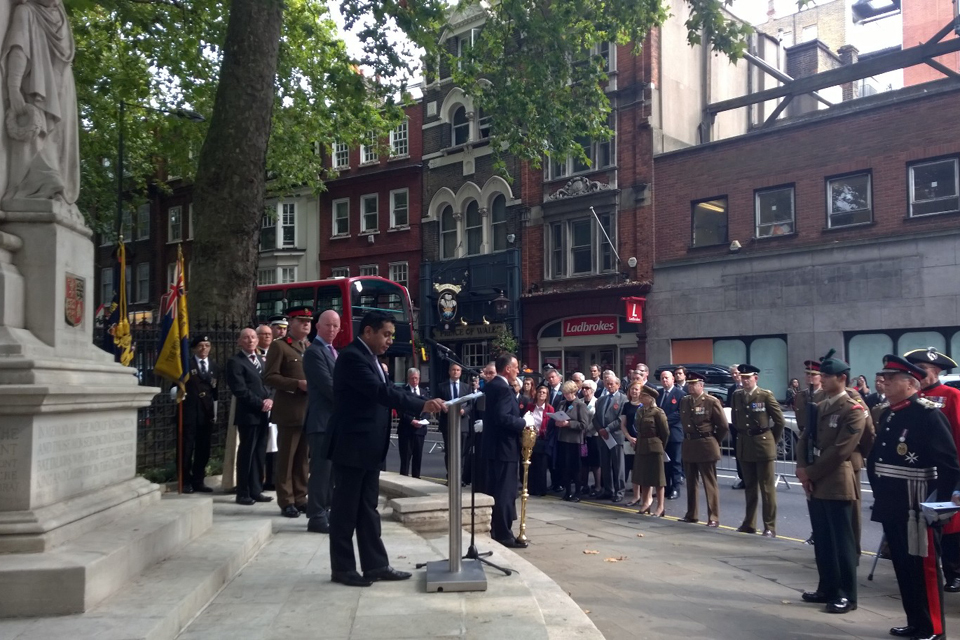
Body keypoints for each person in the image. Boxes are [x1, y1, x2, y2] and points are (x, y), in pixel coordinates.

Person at [327, 311, 443, 587]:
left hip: (368, 447)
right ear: (368, 331)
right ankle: (342, 569)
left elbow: (390, 389)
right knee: (345, 510)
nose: (390, 340)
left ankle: (375, 565)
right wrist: (420, 405)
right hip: (352, 445)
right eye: (386, 334)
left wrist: (422, 401)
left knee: (368, 508)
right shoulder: (353, 357)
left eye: (392, 335)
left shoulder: (372, 359)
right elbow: (380, 393)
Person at [868, 355, 960, 640]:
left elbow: (949, 465)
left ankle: (933, 628)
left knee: (925, 569)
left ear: (910, 383)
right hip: (893, 505)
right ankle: (915, 621)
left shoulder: (928, 414)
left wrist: (938, 507)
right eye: (885, 377)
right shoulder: (891, 412)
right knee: (904, 568)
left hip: (917, 506)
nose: (884, 382)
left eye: (891, 378)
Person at [796, 352, 866, 615]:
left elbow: (840, 451)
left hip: (836, 481)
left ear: (842, 378)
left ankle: (847, 594)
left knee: (842, 542)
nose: (820, 380)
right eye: (820, 375)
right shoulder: (819, 404)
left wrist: (810, 473)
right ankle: (827, 586)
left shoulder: (853, 409)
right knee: (823, 540)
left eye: (826, 376)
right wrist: (801, 468)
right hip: (815, 479)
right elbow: (804, 438)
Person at [3, 0, 79, 206]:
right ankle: (42, 184)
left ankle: (50, 185)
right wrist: (13, 88)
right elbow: (18, 49)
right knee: (41, 141)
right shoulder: (26, 12)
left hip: (58, 89)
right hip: (41, 90)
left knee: (53, 139)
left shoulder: (58, 16)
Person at [904, 347, 960, 594]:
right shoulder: (912, 398)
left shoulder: (951, 395)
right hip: (920, 471)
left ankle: (954, 572)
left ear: (936, 371)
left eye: (923, 370)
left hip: (947, 468)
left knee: (949, 525)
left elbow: (957, 432)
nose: (919, 374)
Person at [264, 306, 312, 518]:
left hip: (308, 411)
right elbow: (270, 376)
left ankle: (301, 497)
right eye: (301, 320)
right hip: (289, 411)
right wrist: (296, 384)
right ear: (290, 323)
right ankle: (286, 501)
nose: (306, 324)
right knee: (286, 459)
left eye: (308, 321)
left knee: (303, 459)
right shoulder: (280, 347)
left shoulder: (309, 347)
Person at [481, 353, 529, 549]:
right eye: (516, 367)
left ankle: (497, 530)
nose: (518, 370)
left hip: (494, 448)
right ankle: (504, 534)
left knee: (496, 490)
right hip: (504, 448)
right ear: (507, 368)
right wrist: (524, 422)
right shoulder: (502, 388)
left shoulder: (492, 385)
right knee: (505, 493)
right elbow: (503, 417)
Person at [732, 363, 785, 537]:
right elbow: (735, 420)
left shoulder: (765, 396)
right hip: (745, 444)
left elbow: (779, 421)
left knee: (767, 489)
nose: (745, 381)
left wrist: (771, 441)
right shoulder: (737, 396)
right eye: (743, 377)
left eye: (748, 378)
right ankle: (749, 523)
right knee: (750, 487)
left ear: (756, 378)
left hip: (763, 444)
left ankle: (770, 526)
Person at [225, 328, 273, 506]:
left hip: (264, 414)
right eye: (246, 338)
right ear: (239, 341)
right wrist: (260, 403)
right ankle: (243, 492)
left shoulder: (262, 360)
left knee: (260, 453)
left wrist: (270, 399)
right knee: (247, 452)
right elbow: (240, 390)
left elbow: (270, 382)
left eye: (253, 337)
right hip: (248, 415)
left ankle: (256, 489)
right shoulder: (235, 362)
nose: (250, 340)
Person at [302, 309, 340, 534]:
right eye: (328, 325)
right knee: (320, 472)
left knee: (331, 473)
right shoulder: (314, 352)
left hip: (333, 422)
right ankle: (316, 515)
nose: (333, 330)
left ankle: (326, 510)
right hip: (320, 423)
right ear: (318, 326)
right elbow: (329, 387)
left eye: (336, 326)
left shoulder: (333, 351)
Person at [679, 371, 728, 527]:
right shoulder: (685, 401)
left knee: (709, 482)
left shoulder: (711, 401)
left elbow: (723, 426)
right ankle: (691, 514)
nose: (690, 387)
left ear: (701, 385)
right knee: (691, 482)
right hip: (689, 444)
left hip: (706, 444)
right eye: (689, 384)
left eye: (693, 384)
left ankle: (713, 516)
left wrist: (713, 440)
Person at [181, 335, 218, 493]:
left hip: (206, 412)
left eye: (207, 345)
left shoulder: (214, 366)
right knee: (186, 449)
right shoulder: (186, 364)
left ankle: (199, 480)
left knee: (204, 449)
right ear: (194, 348)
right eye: (201, 346)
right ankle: (185, 480)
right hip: (189, 412)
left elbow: (215, 392)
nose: (204, 349)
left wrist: (214, 413)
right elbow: (175, 386)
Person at [631, 385, 670, 517]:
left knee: (658, 478)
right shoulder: (640, 411)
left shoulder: (658, 412)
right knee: (644, 477)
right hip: (642, 446)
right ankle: (645, 503)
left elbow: (665, 432)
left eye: (643, 396)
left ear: (650, 398)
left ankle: (660, 506)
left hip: (654, 446)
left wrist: (660, 446)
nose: (640, 397)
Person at [436, 363, 473, 485]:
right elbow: (437, 402)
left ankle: (460, 478)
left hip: (462, 423)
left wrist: (464, 411)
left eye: (458, 370)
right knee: (449, 451)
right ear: (449, 371)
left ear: (461, 372)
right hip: (447, 423)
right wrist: (443, 408)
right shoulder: (442, 387)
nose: (455, 372)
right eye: (453, 370)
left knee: (462, 452)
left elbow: (470, 404)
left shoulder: (466, 387)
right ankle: (450, 477)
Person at [594, 371, 626, 502]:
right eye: (607, 384)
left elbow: (621, 419)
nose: (609, 386)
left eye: (612, 384)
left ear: (618, 385)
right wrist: (600, 430)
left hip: (616, 436)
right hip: (603, 437)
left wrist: (607, 429)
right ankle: (608, 489)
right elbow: (595, 418)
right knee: (605, 465)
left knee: (618, 466)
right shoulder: (601, 400)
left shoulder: (623, 399)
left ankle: (619, 491)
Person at [554, 381, 588, 501]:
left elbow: (584, 424)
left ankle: (577, 492)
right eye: (564, 393)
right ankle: (567, 491)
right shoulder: (562, 403)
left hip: (575, 440)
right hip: (563, 438)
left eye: (568, 393)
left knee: (575, 467)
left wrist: (568, 424)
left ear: (574, 392)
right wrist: (557, 421)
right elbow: (558, 415)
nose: (566, 396)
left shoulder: (580, 405)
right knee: (564, 466)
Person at [397, 368, 431, 479]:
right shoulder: (402, 391)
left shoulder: (424, 392)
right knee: (405, 458)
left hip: (420, 430)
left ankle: (417, 478)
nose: (414, 380)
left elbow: (427, 409)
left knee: (418, 457)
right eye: (412, 378)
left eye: (416, 378)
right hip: (406, 429)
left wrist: (423, 420)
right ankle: (403, 479)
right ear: (408, 378)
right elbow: (400, 410)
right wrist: (411, 420)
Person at [658, 370, 686, 500]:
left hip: (674, 433)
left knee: (675, 462)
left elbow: (680, 413)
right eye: (662, 378)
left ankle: (675, 488)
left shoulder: (680, 394)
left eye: (667, 378)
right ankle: (667, 487)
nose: (664, 380)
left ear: (673, 379)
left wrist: (663, 420)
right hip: (662, 435)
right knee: (665, 463)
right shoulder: (658, 394)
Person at [619, 381, 645, 506]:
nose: (634, 392)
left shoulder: (644, 406)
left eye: (636, 389)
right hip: (629, 441)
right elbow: (623, 425)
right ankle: (635, 496)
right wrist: (629, 438)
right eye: (632, 389)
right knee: (632, 468)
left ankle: (645, 497)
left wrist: (639, 439)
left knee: (642, 469)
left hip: (642, 441)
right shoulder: (626, 406)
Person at [526, 384, 554, 497]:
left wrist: (543, 431)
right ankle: (531, 488)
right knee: (531, 465)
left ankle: (541, 489)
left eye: (544, 393)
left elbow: (551, 424)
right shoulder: (530, 406)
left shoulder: (549, 408)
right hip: (530, 438)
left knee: (541, 466)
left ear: (547, 395)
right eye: (540, 392)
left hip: (542, 440)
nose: (541, 394)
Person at [579, 380, 601, 496]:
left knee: (595, 462)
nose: (584, 390)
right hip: (582, 436)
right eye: (583, 388)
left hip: (593, 435)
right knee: (584, 461)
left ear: (592, 390)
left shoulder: (597, 402)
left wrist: (587, 429)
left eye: (587, 388)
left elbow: (596, 418)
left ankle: (597, 486)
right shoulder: (580, 402)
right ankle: (584, 485)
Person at [726, 364, 745, 489]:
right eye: (732, 374)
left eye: (736, 373)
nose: (734, 376)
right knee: (738, 453)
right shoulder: (731, 389)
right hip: (734, 427)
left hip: (746, 427)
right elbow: (729, 406)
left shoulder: (748, 388)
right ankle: (742, 477)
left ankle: (752, 478)